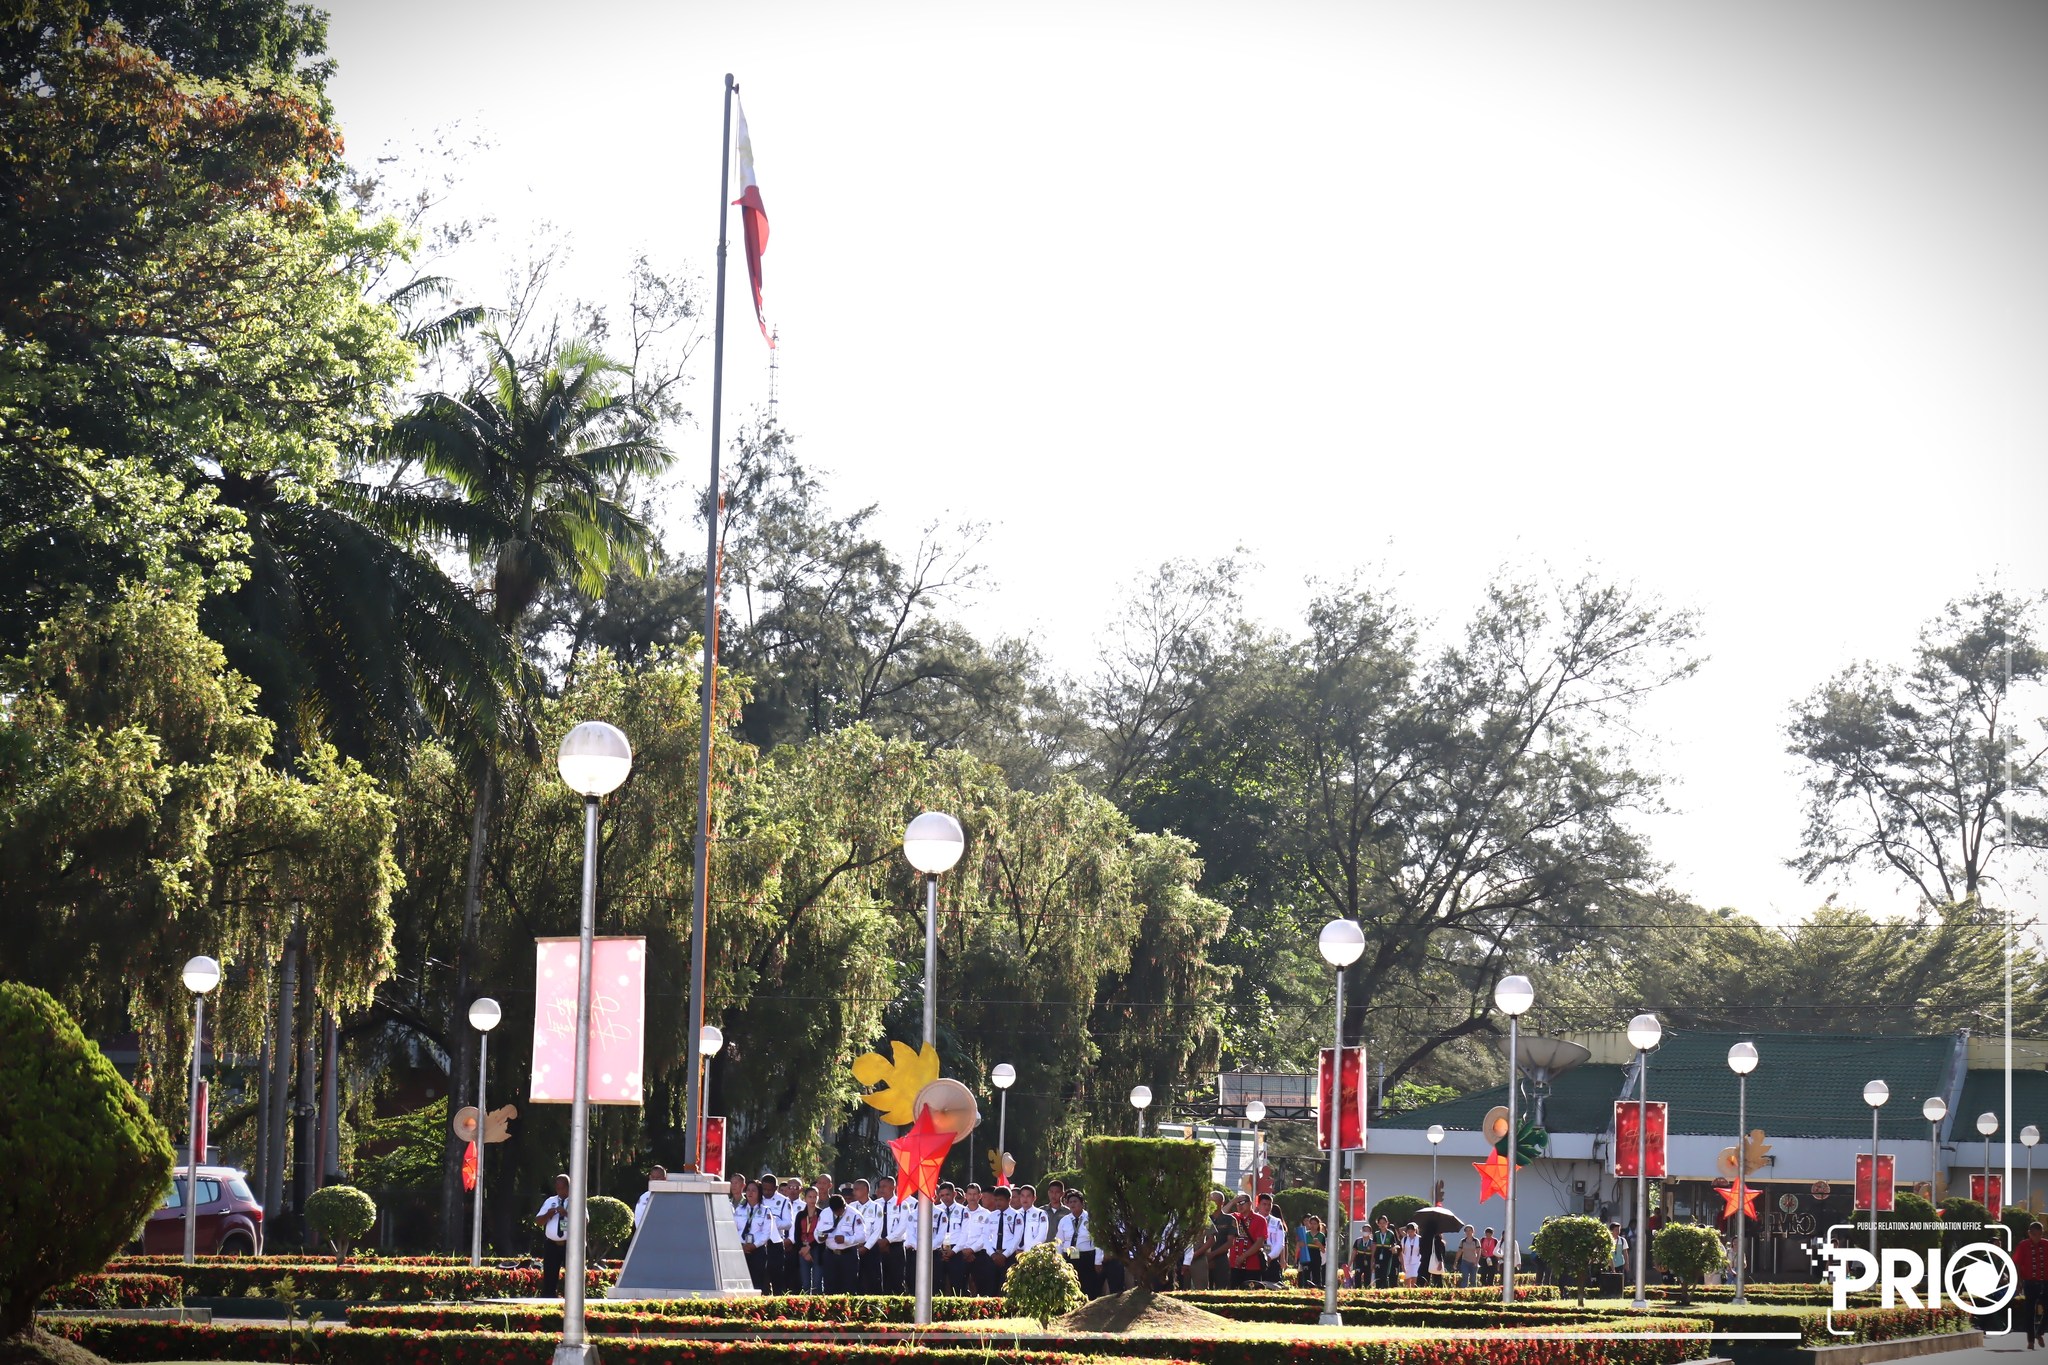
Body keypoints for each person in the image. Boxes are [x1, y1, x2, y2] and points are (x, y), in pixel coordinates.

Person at [534, 1174, 572, 1297]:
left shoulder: (576, 1201)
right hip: (552, 1245)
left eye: (562, 1188)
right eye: (557, 1189)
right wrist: (547, 1215)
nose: (560, 1191)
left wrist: (566, 1213)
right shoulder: (550, 1201)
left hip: (569, 1245)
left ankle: (571, 1301)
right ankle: (548, 1301)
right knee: (549, 1277)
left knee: (572, 1277)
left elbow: (585, 1221)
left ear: (569, 1187)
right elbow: (538, 1221)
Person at [1057, 1190, 1099, 1299]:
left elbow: (1098, 1241)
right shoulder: (1064, 1220)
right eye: (1070, 1202)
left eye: (1075, 1201)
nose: (1072, 1204)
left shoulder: (1091, 1219)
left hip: (1087, 1257)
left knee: (1087, 1286)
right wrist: (1058, 1259)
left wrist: (1098, 1261)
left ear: (1082, 1203)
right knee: (1071, 1286)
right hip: (1069, 1257)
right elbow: (1059, 1241)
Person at [880, 1175, 917, 1294]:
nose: (882, 1189)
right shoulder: (876, 1204)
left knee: (897, 1281)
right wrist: (879, 1241)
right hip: (879, 1246)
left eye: (884, 1186)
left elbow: (902, 1227)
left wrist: (887, 1240)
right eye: (880, 1187)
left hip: (895, 1247)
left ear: (893, 1187)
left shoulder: (902, 1204)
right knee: (881, 1281)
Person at [819, 1192, 861, 1292]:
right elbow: (818, 1231)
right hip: (830, 1255)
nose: (837, 1213)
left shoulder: (855, 1214)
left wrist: (846, 1239)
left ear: (844, 1206)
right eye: (834, 1211)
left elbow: (862, 1236)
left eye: (839, 1211)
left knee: (848, 1287)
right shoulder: (825, 1213)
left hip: (848, 1255)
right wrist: (820, 1238)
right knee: (829, 1287)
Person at [737, 1180, 771, 1292]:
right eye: (748, 1190)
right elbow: (733, 1229)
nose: (750, 1193)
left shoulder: (765, 1211)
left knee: (757, 1282)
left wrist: (754, 1245)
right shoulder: (739, 1210)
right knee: (741, 1282)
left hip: (757, 1250)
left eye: (754, 1190)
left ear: (759, 1193)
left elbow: (766, 1233)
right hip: (741, 1250)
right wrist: (741, 1246)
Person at [2019, 1221, 2048, 1347]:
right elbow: (2017, 1264)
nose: (2037, 1237)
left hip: (2045, 1282)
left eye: (2040, 1234)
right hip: (2029, 1282)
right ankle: (2030, 1340)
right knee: (2029, 1311)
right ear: (2029, 1233)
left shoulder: (2046, 1244)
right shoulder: (2023, 1245)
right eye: (2035, 1234)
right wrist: (2018, 1281)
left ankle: (2039, 1332)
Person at [794, 1186, 822, 1293]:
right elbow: (797, 1234)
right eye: (810, 1197)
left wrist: (810, 1248)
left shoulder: (821, 1214)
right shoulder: (800, 1215)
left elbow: (822, 1234)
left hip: (817, 1248)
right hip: (802, 1249)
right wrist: (803, 1249)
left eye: (815, 1197)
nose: (812, 1200)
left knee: (817, 1283)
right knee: (805, 1283)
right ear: (805, 1198)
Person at [1298, 1214, 1325, 1286]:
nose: (1313, 1225)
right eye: (1311, 1223)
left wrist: (1318, 1243)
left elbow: (1323, 1250)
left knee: (1316, 1276)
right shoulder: (1305, 1234)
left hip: (1316, 1256)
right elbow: (1300, 1246)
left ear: (1318, 1224)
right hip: (1307, 1256)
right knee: (1306, 1275)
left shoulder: (1321, 1235)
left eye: (1315, 1224)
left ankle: (1317, 1289)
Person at [1372, 1215, 1396, 1289]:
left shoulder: (1391, 1233)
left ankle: (1385, 1289)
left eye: (1384, 1223)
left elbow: (1393, 1244)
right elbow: (1374, 1245)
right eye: (1380, 1223)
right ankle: (1377, 1289)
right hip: (1378, 1253)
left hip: (1387, 1254)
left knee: (1385, 1273)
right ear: (1378, 1224)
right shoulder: (1376, 1234)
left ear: (1387, 1223)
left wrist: (1393, 1249)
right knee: (1378, 1272)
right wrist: (1373, 1257)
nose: (1382, 1225)